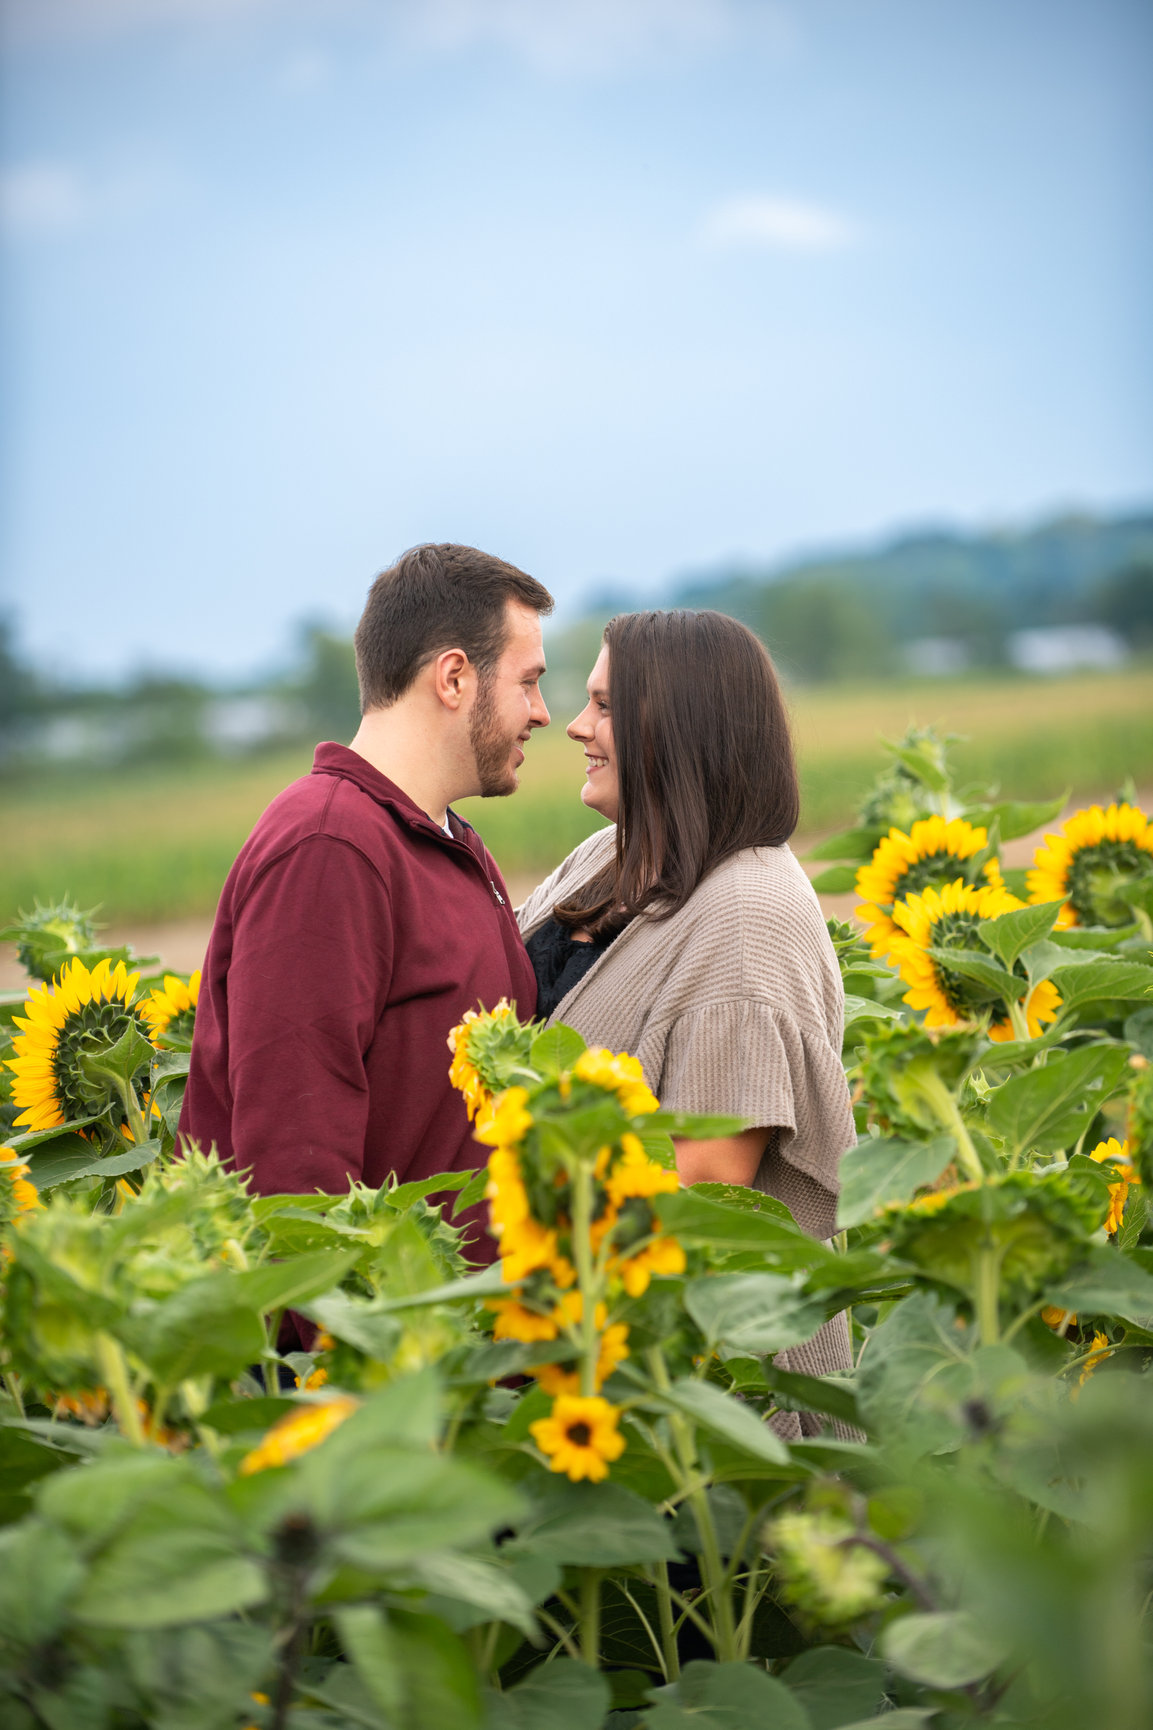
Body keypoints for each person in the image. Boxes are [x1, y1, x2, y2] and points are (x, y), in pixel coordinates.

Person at [517, 609, 857, 1430]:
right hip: (595, 1365)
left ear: (677, 724)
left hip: (706, 1407)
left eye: (603, 706)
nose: (574, 726)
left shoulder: (747, 914)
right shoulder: (614, 854)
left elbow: (704, 1197)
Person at [180, 543, 553, 1215]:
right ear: (453, 679)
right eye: (527, 681)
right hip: (391, 1315)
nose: (541, 711)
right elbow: (294, 1162)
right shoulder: (328, 845)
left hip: (468, 1312)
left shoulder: (446, 839)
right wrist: (352, 1324)